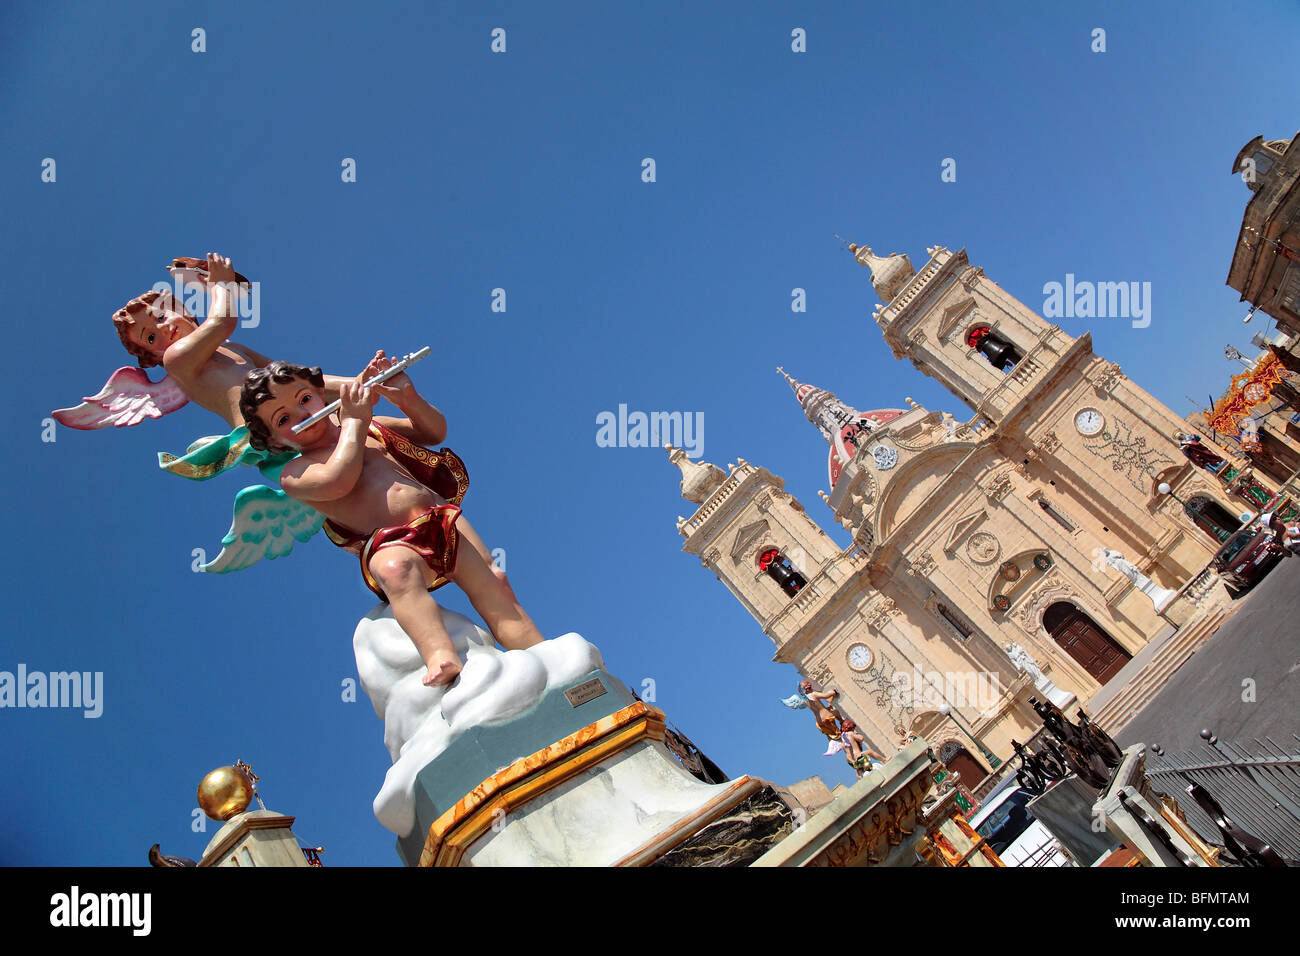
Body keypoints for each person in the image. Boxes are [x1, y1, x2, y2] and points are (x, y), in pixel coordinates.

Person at [240, 355, 543, 686]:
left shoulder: (370, 426)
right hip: (392, 541)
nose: (302, 414)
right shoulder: (294, 473)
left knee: (493, 582)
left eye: (304, 399)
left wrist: (407, 398)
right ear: (273, 442)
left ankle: (541, 653)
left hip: (440, 516)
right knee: (394, 571)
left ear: (321, 393)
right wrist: (354, 421)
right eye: (283, 419)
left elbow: (432, 431)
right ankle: (440, 656)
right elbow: (339, 480)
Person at [111, 253, 352, 428]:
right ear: (153, 357)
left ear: (182, 310)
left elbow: (294, 378)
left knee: (381, 428)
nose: (163, 328)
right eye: (151, 337)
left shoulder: (232, 349)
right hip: (266, 428)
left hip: (301, 409)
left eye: (161, 316)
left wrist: (357, 382)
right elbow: (221, 322)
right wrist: (221, 284)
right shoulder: (177, 360)